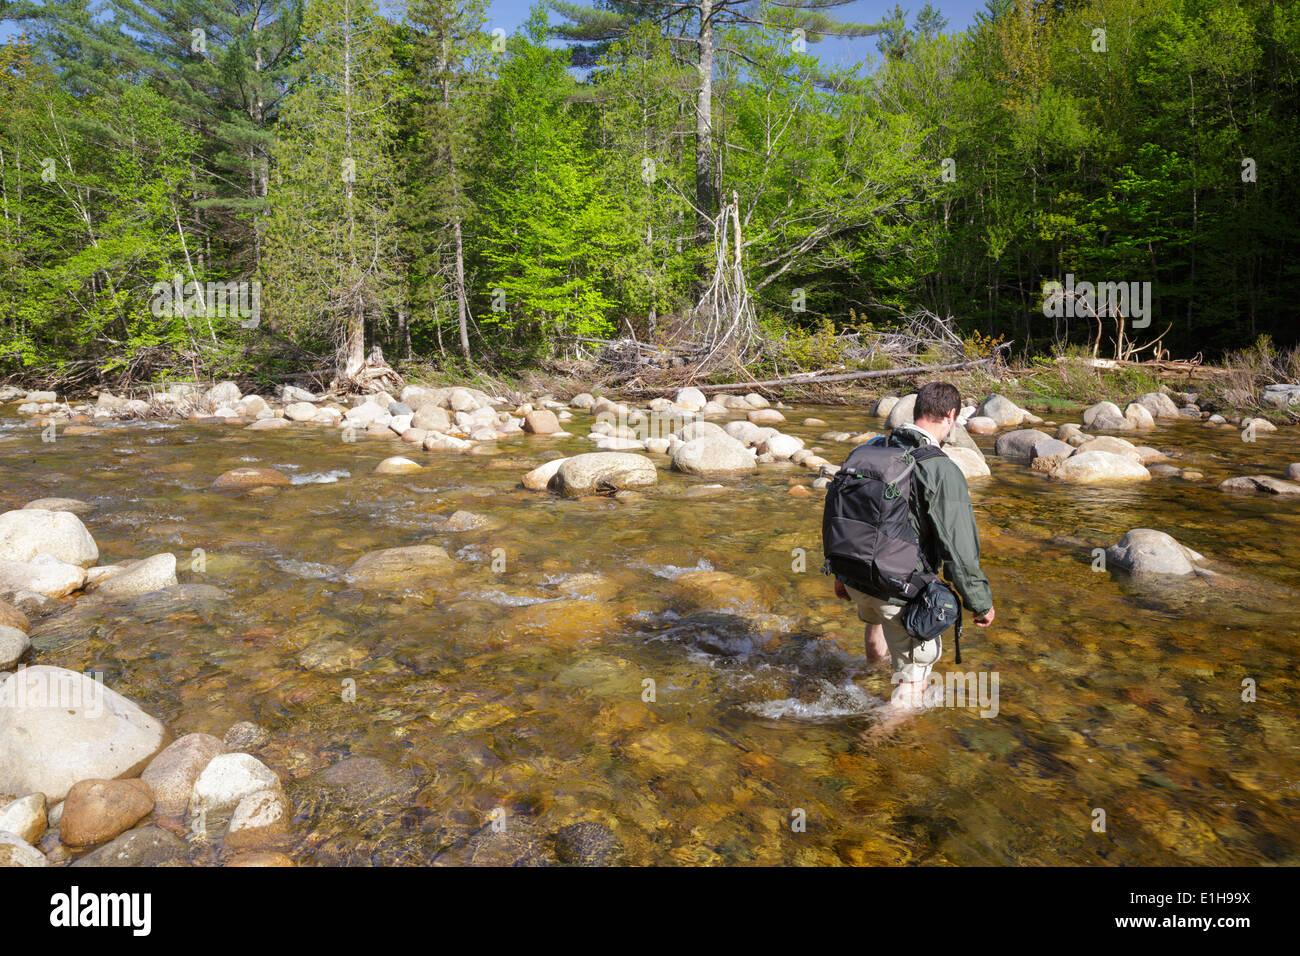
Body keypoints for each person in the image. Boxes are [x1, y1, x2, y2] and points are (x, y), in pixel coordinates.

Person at [832, 381, 994, 711]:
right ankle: (867, 747)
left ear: (916, 411)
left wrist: (839, 573)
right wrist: (979, 602)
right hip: (899, 587)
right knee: (914, 686)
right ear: (951, 415)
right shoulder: (940, 468)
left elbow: (847, 516)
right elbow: (959, 548)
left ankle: (871, 679)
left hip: (856, 576)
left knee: (877, 620)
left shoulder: (872, 449)